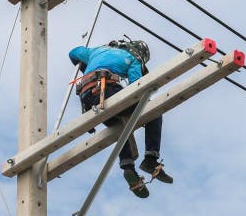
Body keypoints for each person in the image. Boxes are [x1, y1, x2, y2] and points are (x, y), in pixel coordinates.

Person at [68, 39, 173, 198]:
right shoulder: (133, 59)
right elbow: (136, 87)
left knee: (121, 126)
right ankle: (151, 159)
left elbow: (73, 52)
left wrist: (87, 70)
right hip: (108, 89)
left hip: (88, 97)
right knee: (154, 112)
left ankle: (128, 167)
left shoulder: (96, 50)